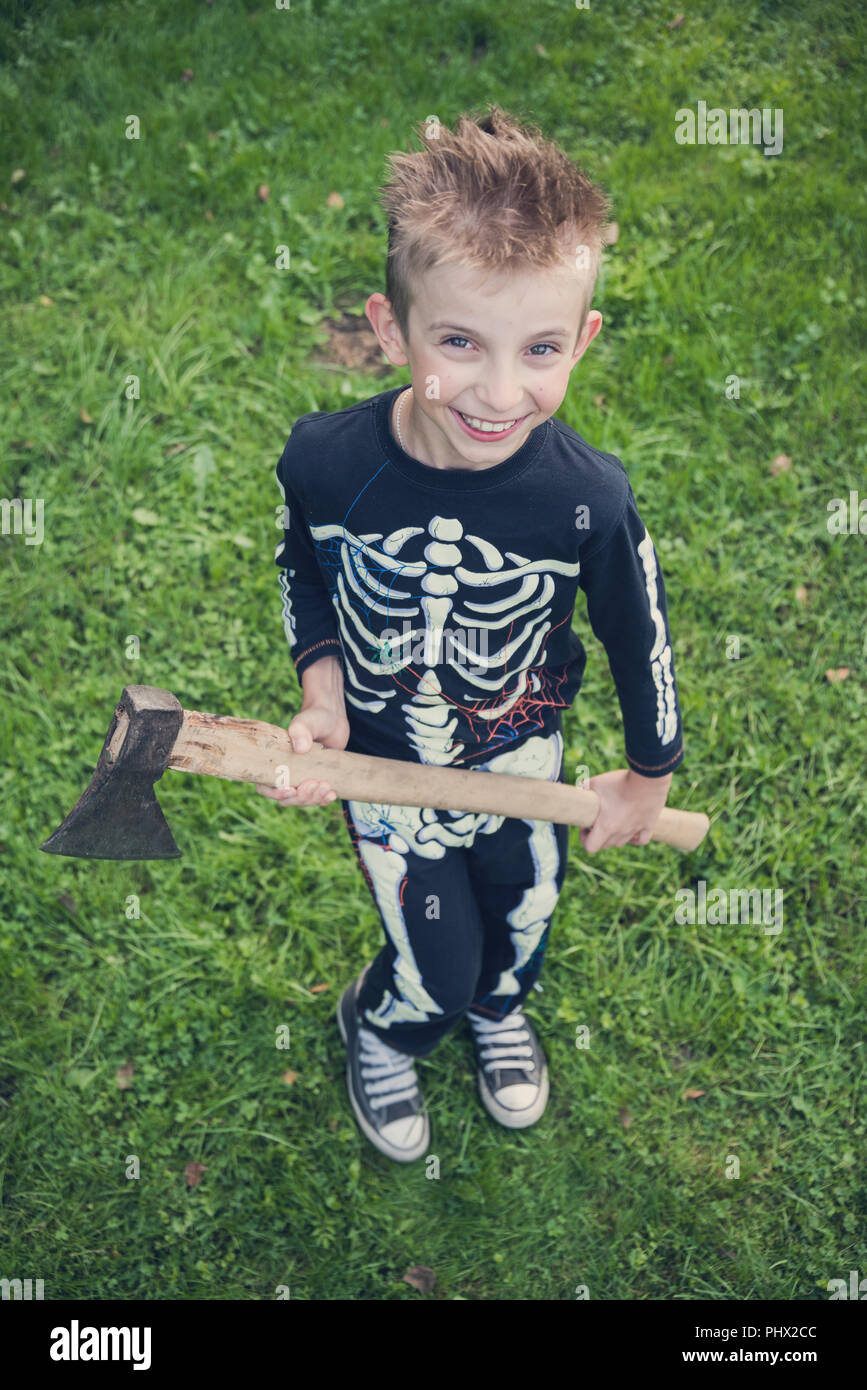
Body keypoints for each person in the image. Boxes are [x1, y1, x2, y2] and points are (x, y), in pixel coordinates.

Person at [257, 105, 685, 1163]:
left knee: (524, 926)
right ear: (389, 329)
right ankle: (388, 1025)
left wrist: (648, 772)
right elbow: (303, 574)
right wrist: (324, 692)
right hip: (388, 780)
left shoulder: (587, 498)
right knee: (434, 966)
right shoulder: (322, 463)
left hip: (524, 762)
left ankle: (500, 1012)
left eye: (540, 349)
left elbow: (642, 639)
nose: (500, 394)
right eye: (458, 342)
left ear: (582, 339)